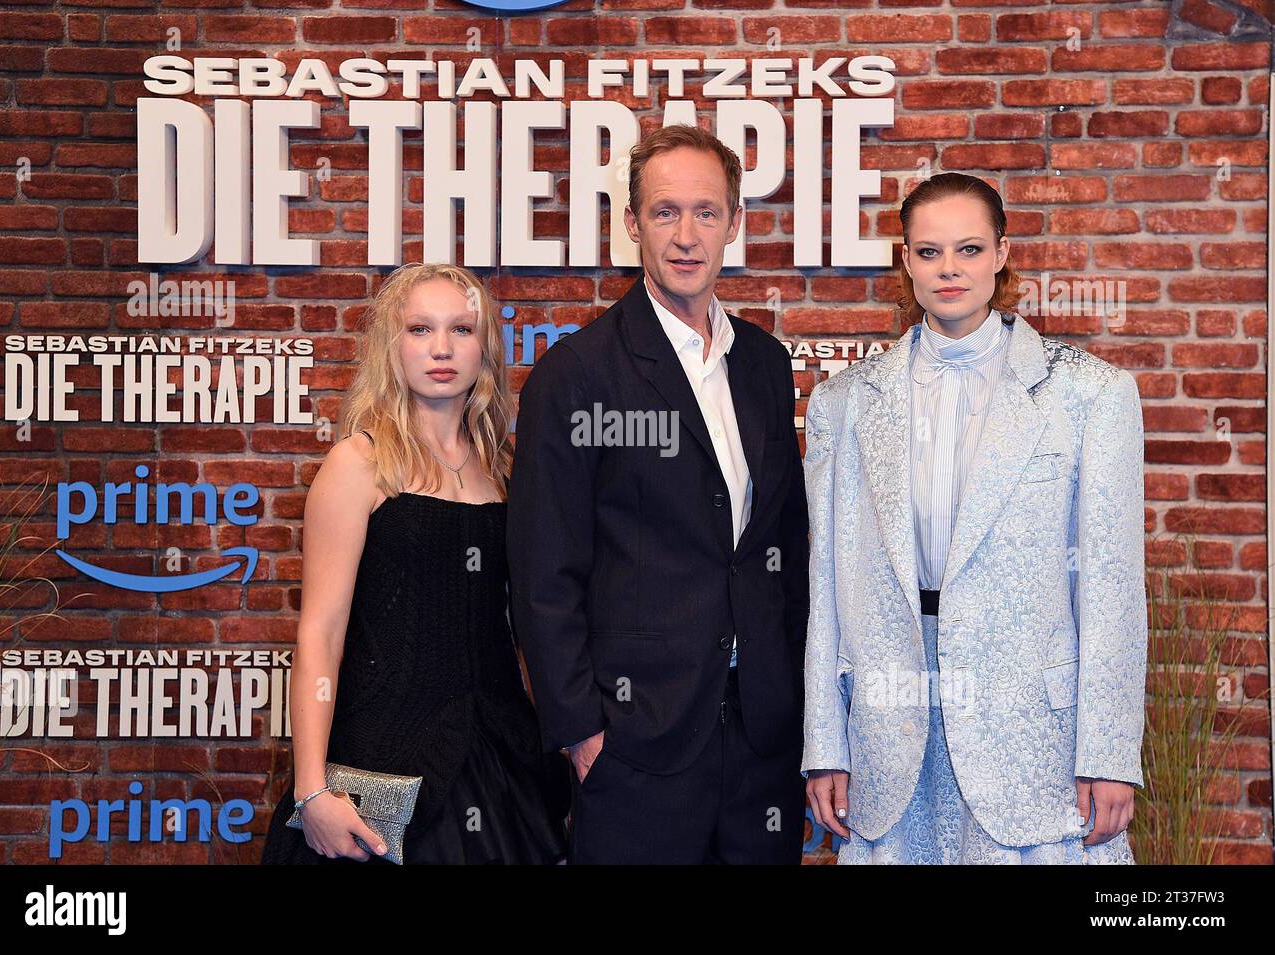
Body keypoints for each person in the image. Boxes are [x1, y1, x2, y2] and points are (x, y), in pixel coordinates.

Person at [802, 172, 1147, 864]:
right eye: (929, 252)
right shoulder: (844, 404)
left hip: (1031, 730)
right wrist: (824, 744)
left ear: (1001, 253)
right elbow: (826, 587)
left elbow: (1112, 589)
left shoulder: (1090, 394)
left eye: (968, 248)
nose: (949, 269)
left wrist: (1110, 751)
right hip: (890, 714)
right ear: (905, 262)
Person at [507, 124, 809, 864]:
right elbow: (543, 574)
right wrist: (583, 733)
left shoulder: (765, 364)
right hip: (634, 744)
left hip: (761, 741)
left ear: (735, 223)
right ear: (633, 223)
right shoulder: (578, 374)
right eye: (665, 212)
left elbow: (785, 549)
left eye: (706, 212)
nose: (686, 235)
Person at [261, 263, 567, 865]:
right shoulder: (358, 463)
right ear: (391, 347)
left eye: (461, 329)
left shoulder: (506, 470)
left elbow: (527, 623)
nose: (442, 348)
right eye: (420, 329)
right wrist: (312, 788)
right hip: (382, 761)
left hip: (499, 756)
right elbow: (320, 634)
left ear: (485, 346)